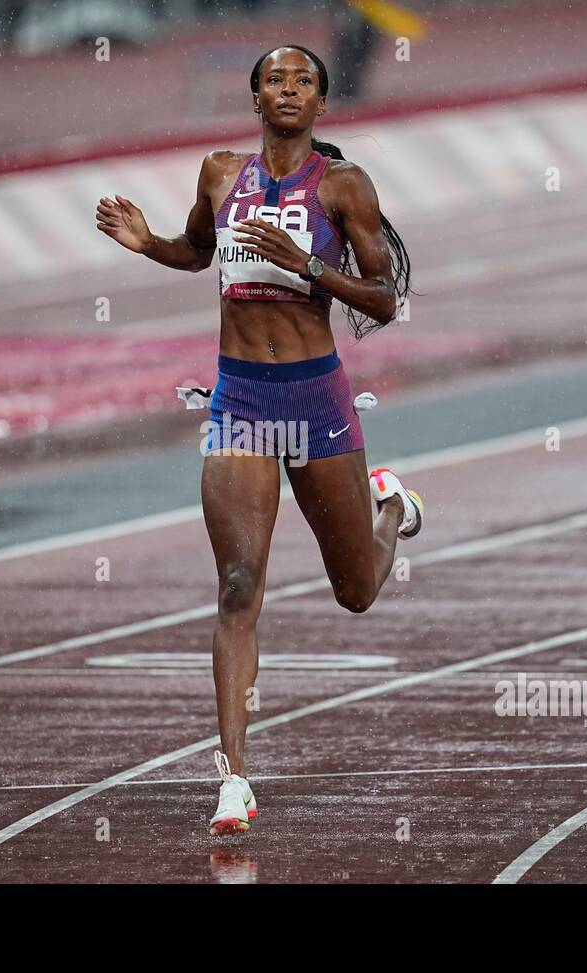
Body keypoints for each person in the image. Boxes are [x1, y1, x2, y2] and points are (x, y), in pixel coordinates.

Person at [95, 43, 419, 836]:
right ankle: (234, 778)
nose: (287, 89)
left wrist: (310, 266)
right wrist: (147, 246)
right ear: (254, 97)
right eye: (274, 79)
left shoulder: (344, 187)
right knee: (240, 586)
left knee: (356, 591)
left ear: (319, 103)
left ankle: (390, 509)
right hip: (240, 398)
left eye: (302, 81)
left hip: (316, 400)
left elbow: (382, 300)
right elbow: (197, 250)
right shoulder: (218, 172)